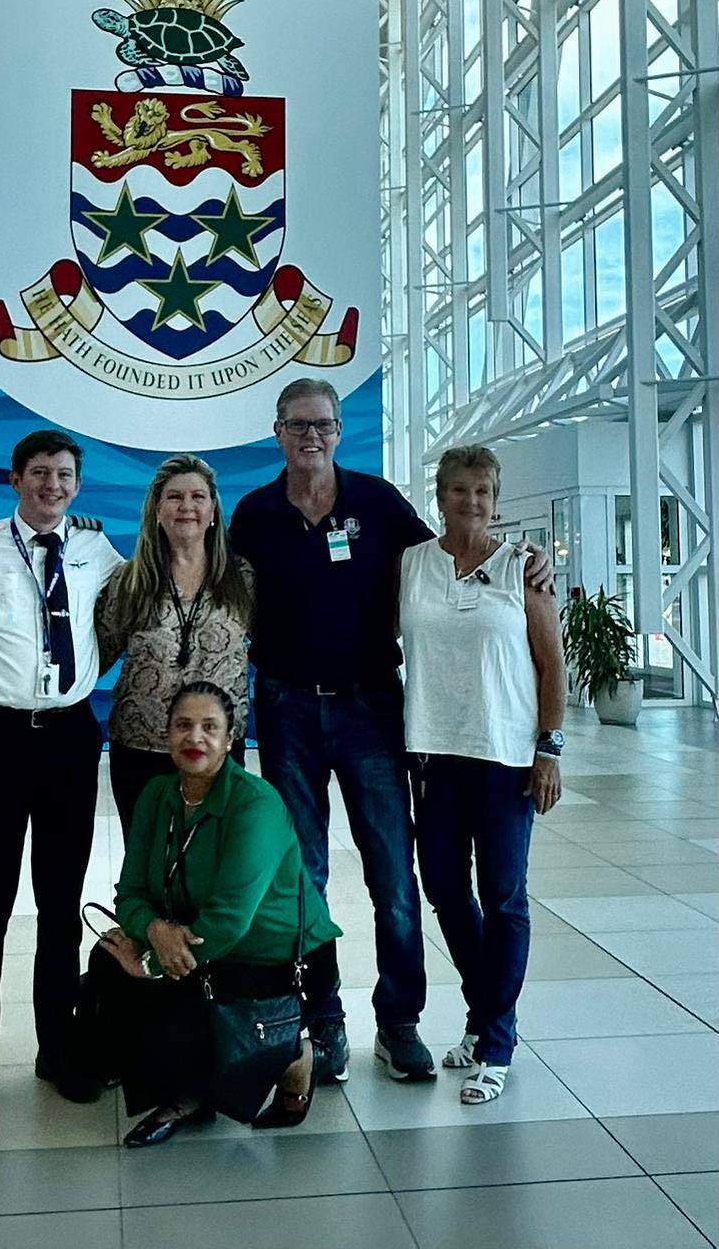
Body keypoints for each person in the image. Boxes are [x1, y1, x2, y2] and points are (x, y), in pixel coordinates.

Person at [230, 377, 553, 1086]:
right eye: (297, 425)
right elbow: (230, 600)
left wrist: (529, 563)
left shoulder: (377, 503)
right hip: (285, 710)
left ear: (339, 431)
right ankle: (324, 1022)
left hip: (370, 708)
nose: (311, 436)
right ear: (277, 432)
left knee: (393, 878)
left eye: (323, 424)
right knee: (303, 875)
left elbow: (455, 553)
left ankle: (398, 1021)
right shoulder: (253, 514)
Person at [0, 428, 122, 1119]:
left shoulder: (98, 548)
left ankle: (57, 1047)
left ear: (77, 484)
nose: (52, 486)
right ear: (15, 480)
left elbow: (123, 614)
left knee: (59, 906)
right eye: (39, 473)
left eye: (64, 475)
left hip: (70, 737)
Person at [91, 681, 341, 1145]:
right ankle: (187, 1084)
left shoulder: (255, 804)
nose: (195, 738)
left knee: (173, 989)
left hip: (279, 960)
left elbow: (229, 922)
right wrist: (154, 931)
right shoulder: (156, 797)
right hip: (198, 943)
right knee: (108, 961)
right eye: (183, 726)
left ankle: (292, 1057)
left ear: (231, 740)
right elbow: (130, 892)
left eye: (210, 727)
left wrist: (150, 959)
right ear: (165, 735)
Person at [399, 444, 566, 1104]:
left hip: (505, 758)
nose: (471, 502)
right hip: (434, 753)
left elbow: (553, 664)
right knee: (442, 887)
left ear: (496, 501)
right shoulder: (412, 565)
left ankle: (495, 1040)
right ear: (440, 497)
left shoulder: (522, 568)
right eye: (460, 490)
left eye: (483, 492)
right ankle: (488, 1010)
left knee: (503, 898)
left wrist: (550, 749)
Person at [96, 454, 254, 834]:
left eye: (198, 497)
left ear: (213, 510)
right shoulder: (129, 581)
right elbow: (95, 657)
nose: (187, 507)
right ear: (156, 509)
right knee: (147, 866)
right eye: (175, 497)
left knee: (211, 865)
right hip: (142, 748)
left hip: (217, 749)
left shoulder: (242, 578)